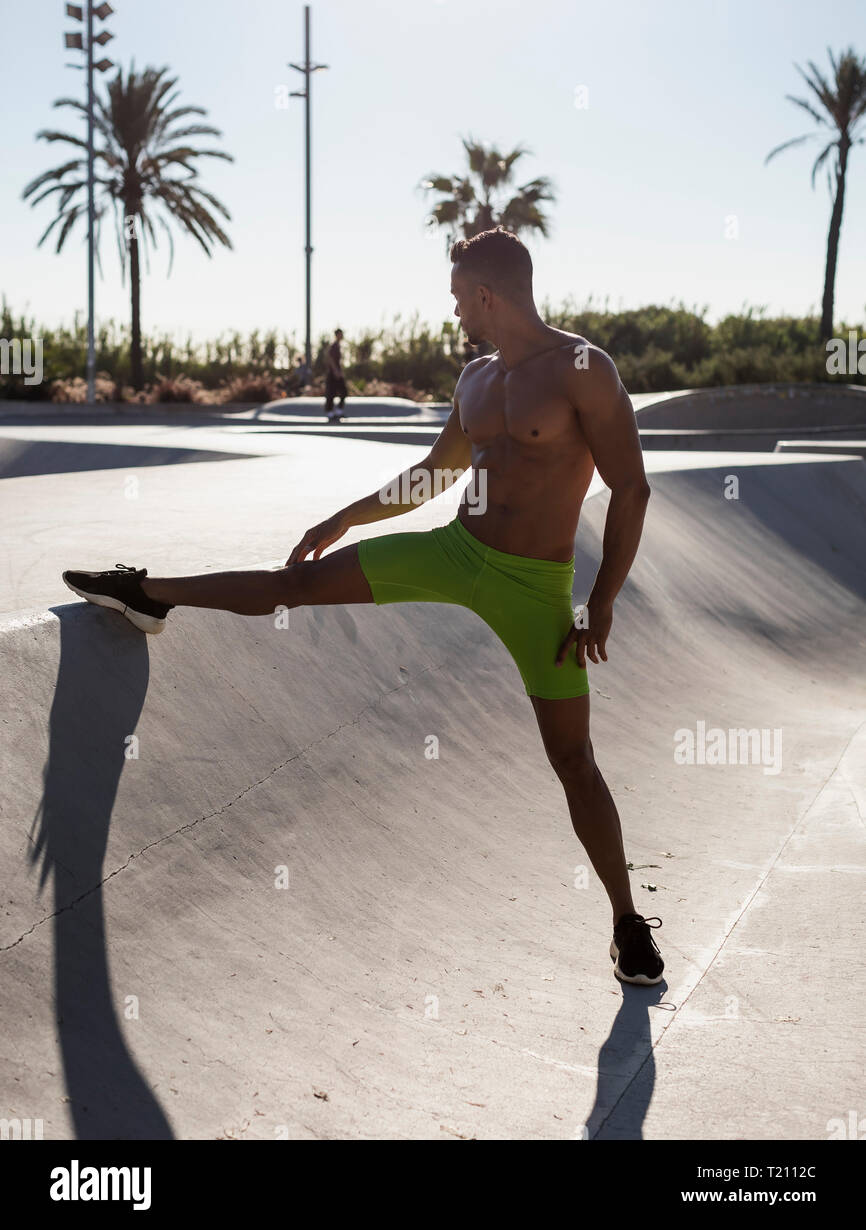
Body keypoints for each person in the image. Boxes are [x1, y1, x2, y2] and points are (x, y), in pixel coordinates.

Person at [62, 228, 663, 986]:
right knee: (297, 582)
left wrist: (601, 599)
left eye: (456, 295)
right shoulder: (475, 380)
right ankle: (148, 593)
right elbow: (435, 474)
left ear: (485, 293)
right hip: (456, 550)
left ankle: (626, 921)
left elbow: (632, 487)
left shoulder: (584, 369)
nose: (452, 308)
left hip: (535, 585)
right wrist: (348, 516)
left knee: (572, 758)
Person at [324, 329, 347, 421]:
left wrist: (341, 371)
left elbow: (338, 361)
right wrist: (335, 371)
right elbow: (330, 359)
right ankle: (329, 411)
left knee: (344, 391)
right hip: (333, 373)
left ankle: (338, 410)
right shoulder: (334, 346)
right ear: (337, 335)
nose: (342, 336)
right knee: (331, 392)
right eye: (340, 334)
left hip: (337, 372)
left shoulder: (338, 346)